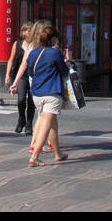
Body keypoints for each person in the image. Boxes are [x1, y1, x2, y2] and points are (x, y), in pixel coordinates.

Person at [12, 21, 70, 167]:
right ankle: (35, 155)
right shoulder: (55, 52)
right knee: (46, 124)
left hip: (37, 93)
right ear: (52, 39)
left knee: (51, 123)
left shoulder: (33, 53)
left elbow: (30, 72)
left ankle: (58, 153)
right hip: (51, 92)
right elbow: (64, 71)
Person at [5, 23, 37, 134]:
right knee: (21, 99)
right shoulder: (17, 44)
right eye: (26, 30)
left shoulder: (35, 45)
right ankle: (21, 118)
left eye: (30, 30)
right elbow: (11, 59)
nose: (28, 33)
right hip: (21, 76)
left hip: (33, 75)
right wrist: (7, 74)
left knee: (32, 101)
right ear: (23, 32)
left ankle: (29, 124)